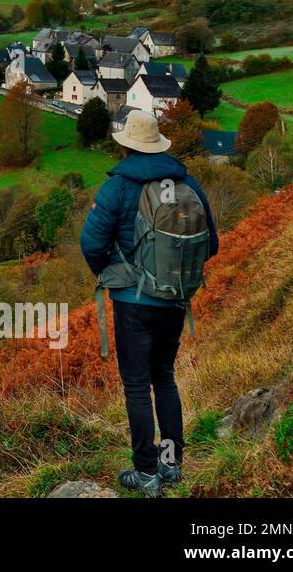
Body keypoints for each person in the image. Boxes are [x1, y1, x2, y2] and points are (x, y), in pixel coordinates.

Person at [80, 109, 219, 496]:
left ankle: (144, 471)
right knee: (165, 378)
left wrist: (113, 274)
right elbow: (212, 244)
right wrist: (174, 275)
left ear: (126, 145)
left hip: (133, 303)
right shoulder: (187, 181)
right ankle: (171, 464)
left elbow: (91, 243)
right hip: (175, 302)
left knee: (137, 386)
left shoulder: (118, 186)